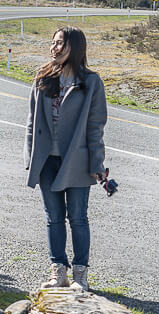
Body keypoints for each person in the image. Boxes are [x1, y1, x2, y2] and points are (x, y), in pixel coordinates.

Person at [25, 26, 107, 291]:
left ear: (76, 47)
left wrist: (97, 164)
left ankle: (80, 275)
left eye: (60, 43)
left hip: (78, 162)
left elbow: (95, 127)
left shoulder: (91, 82)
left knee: (78, 217)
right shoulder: (42, 76)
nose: (55, 48)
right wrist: (30, 159)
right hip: (47, 160)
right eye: (53, 43)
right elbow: (31, 122)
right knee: (53, 217)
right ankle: (58, 272)